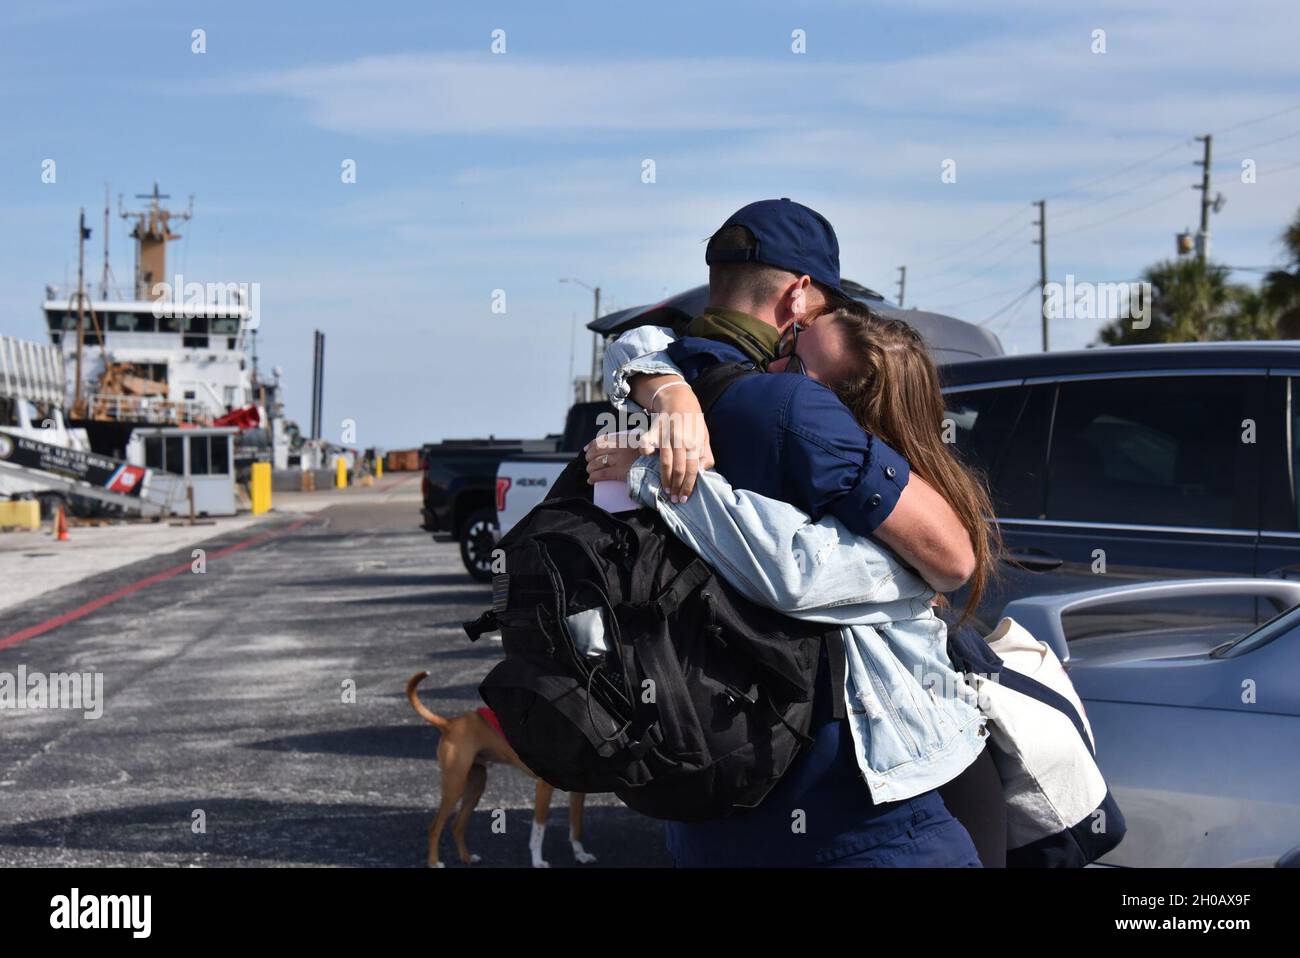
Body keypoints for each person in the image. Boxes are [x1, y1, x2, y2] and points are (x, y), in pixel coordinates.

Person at [582, 200, 1001, 866]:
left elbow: (639, 344)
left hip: (705, 790)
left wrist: (660, 398)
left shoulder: (675, 383)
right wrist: (907, 577)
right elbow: (946, 559)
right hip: (859, 811)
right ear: (801, 294)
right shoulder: (788, 403)